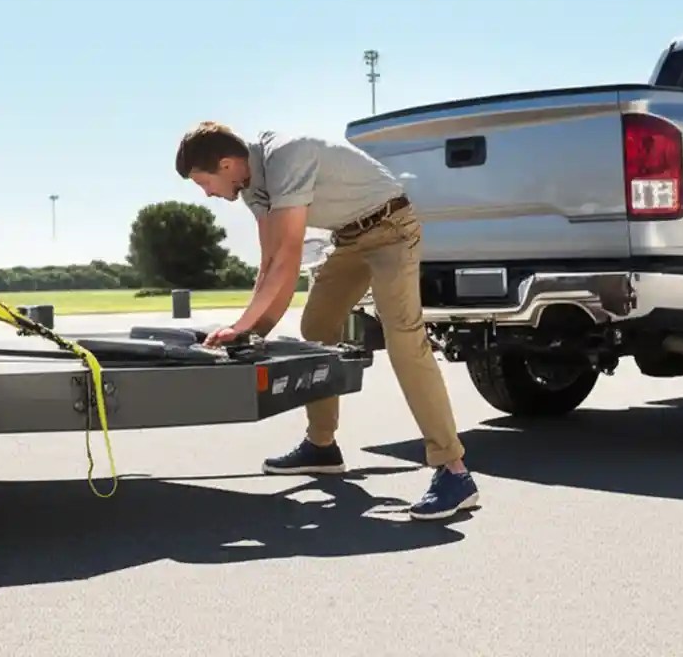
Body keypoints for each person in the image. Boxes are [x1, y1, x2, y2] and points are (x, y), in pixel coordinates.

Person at [173, 121, 479, 520]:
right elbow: (269, 265)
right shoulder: (250, 185)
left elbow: (289, 257)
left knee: (403, 337)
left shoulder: (287, 155)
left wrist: (243, 326)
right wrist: (249, 332)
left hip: (391, 228)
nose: (208, 194)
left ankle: (454, 472)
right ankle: (322, 447)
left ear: (227, 164)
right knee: (316, 327)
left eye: (204, 183)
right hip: (349, 239)